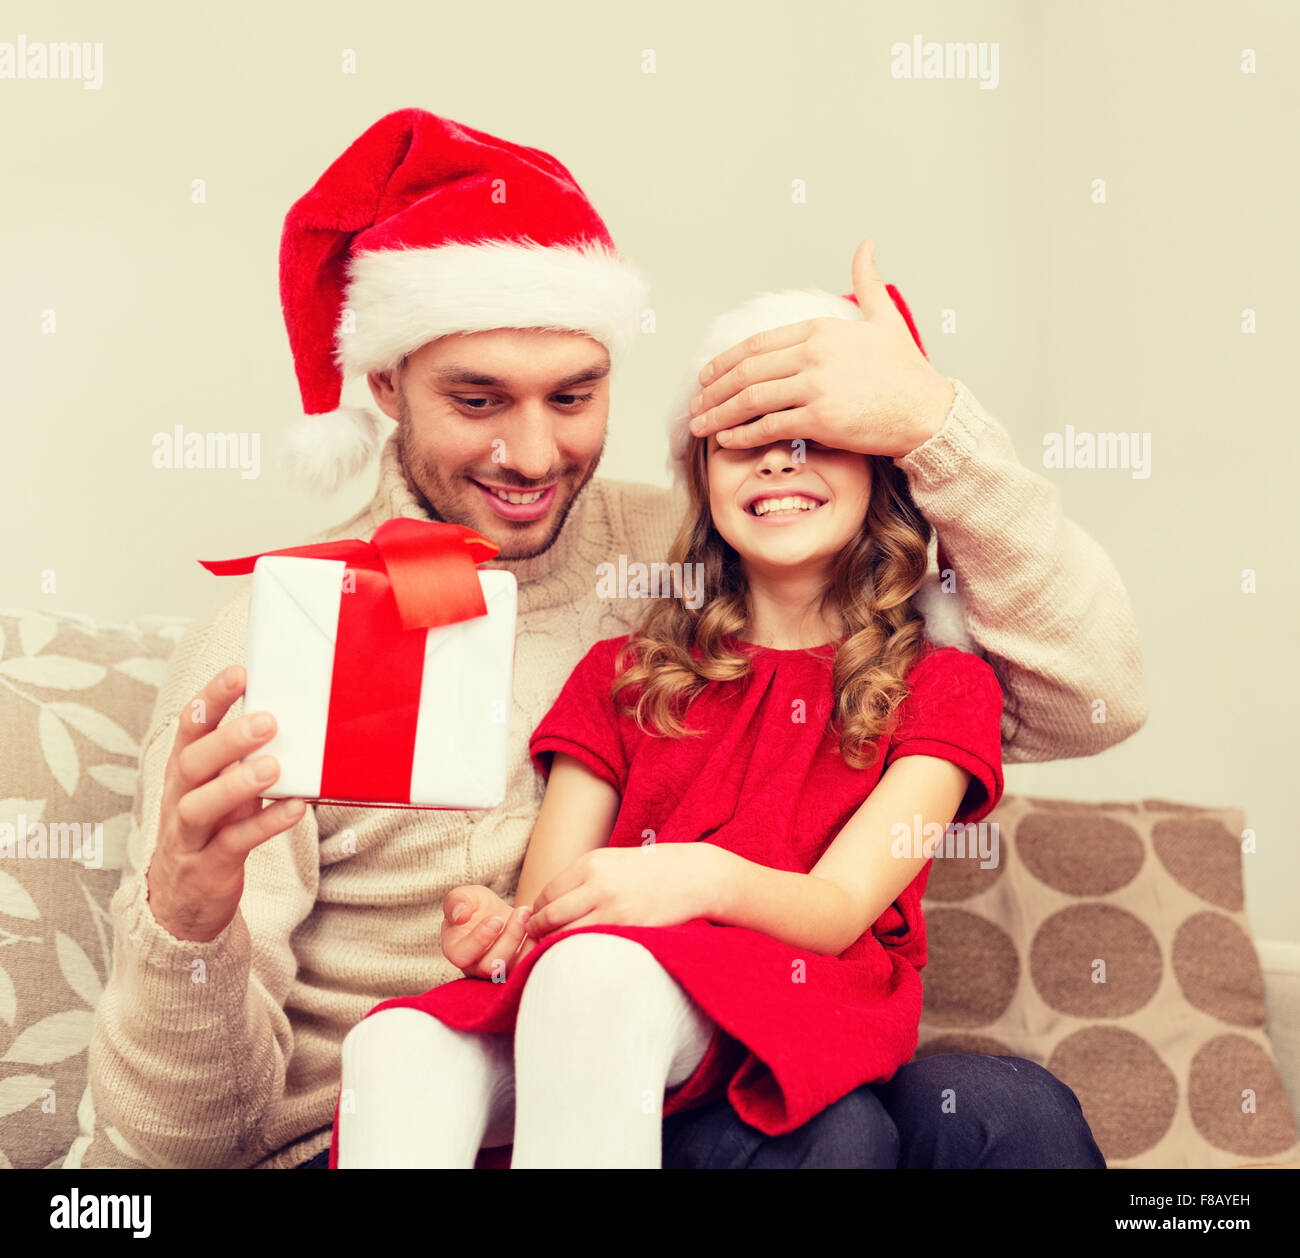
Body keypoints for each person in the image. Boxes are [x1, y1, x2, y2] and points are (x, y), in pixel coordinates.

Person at [87, 108, 1137, 1171]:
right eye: (477, 397)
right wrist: (185, 917)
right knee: (821, 1128)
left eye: (573, 395)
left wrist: (931, 424)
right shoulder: (281, 637)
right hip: (432, 1099)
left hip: (712, 1044)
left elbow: (1092, 692)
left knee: (1007, 1110)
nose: (532, 452)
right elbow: (157, 1156)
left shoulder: (694, 555)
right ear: (382, 381)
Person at [330, 280, 1007, 1166]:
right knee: (393, 1046)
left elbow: (840, 911)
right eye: (743, 445)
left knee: (592, 975)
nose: (776, 463)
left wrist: (698, 879)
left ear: (882, 475)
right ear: (702, 476)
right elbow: (550, 906)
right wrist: (503, 931)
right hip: (599, 989)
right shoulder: (624, 677)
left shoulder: (942, 685)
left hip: (797, 992)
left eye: (816, 443)